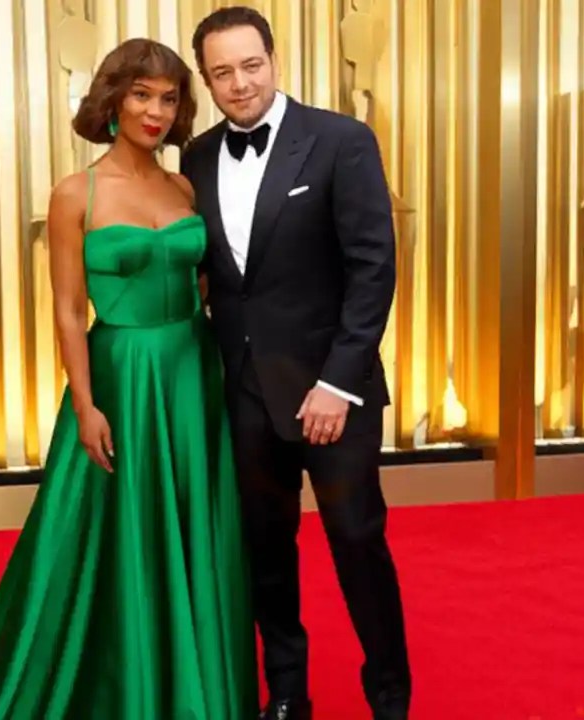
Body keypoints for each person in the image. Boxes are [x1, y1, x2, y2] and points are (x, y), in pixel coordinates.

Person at [0, 37, 257, 720]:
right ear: (113, 100)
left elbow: (206, 286)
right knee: (115, 538)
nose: (155, 111)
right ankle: (129, 685)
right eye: (141, 94)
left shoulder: (182, 186)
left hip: (192, 375)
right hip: (121, 376)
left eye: (169, 98)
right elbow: (66, 308)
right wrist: (85, 404)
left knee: (193, 529)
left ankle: (192, 689)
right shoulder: (74, 193)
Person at [180, 7, 411, 720]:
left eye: (251, 65)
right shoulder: (195, 157)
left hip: (331, 391)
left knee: (357, 543)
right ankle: (285, 695)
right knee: (265, 553)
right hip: (245, 392)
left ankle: (390, 697)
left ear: (274, 59)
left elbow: (373, 268)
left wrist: (338, 382)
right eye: (222, 72)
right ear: (207, 80)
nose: (239, 83)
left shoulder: (340, 140)